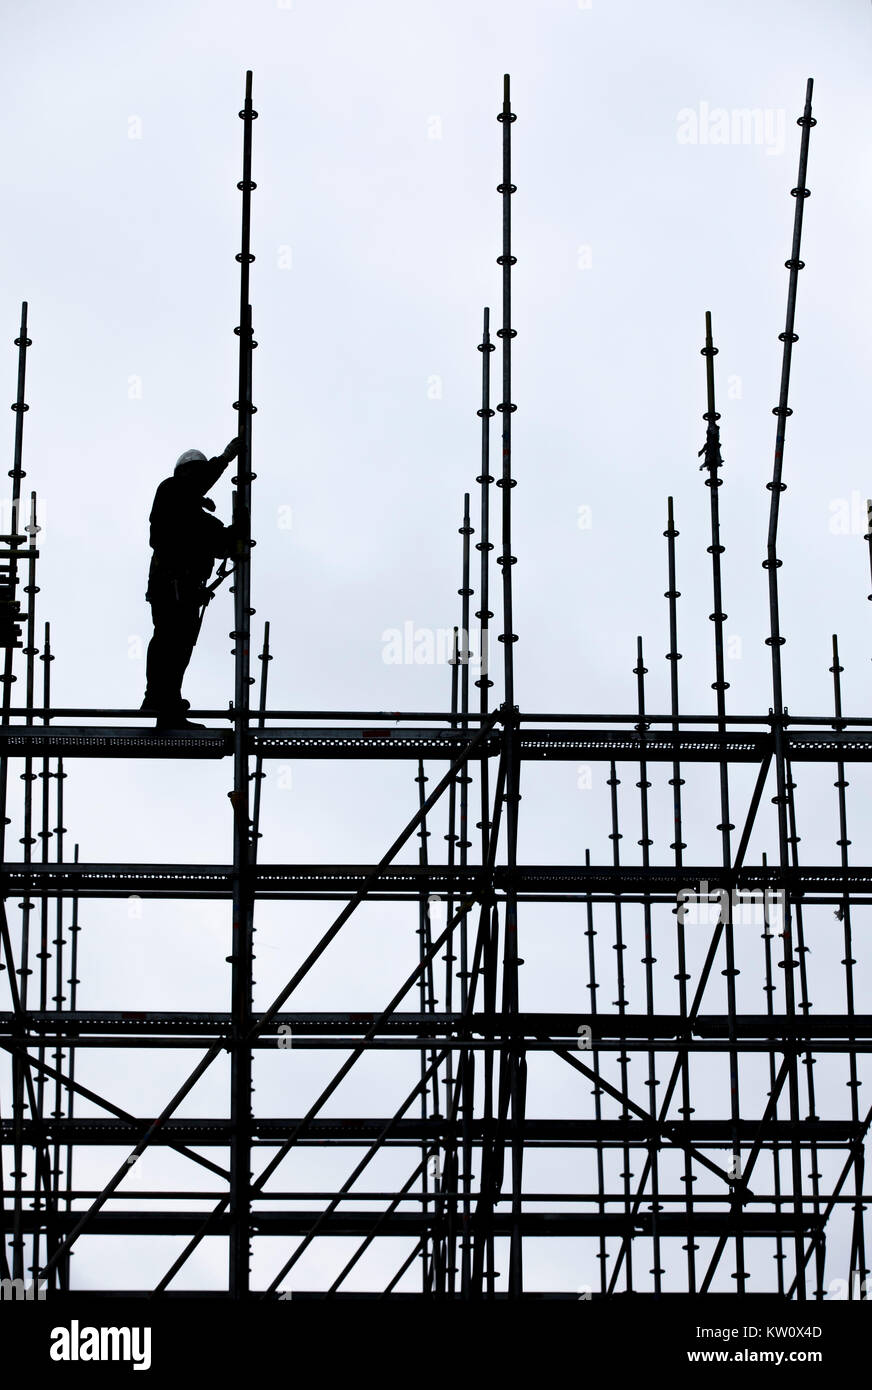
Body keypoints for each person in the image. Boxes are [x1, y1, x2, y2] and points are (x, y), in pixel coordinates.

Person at [141, 438, 240, 730]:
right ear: (183, 474)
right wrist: (225, 458)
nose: (198, 478)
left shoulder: (196, 518)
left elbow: (220, 543)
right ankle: (158, 700)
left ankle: (166, 707)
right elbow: (192, 506)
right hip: (171, 585)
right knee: (169, 643)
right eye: (194, 472)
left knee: (178, 648)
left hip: (186, 591)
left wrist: (237, 533)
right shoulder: (170, 492)